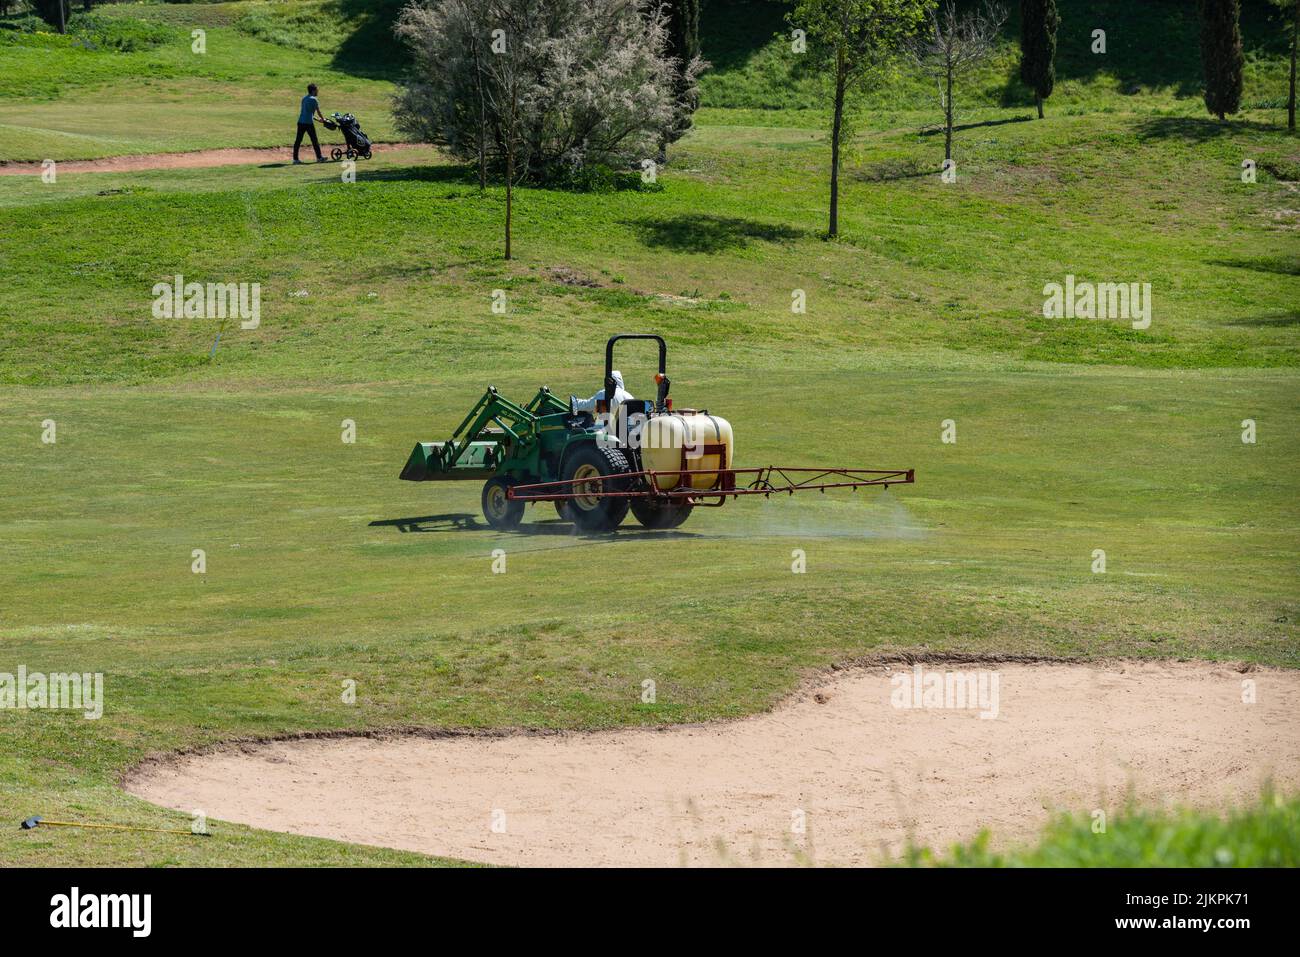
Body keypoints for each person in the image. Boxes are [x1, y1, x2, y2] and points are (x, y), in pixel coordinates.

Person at [294, 83, 327, 164]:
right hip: (308, 123)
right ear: (313, 91)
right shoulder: (314, 99)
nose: (317, 91)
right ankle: (319, 158)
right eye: (316, 90)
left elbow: (307, 113)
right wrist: (323, 119)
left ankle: (295, 159)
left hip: (301, 122)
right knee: (314, 140)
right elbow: (318, 111)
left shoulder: (304, 98)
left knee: (298, 140)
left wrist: (317, 119)